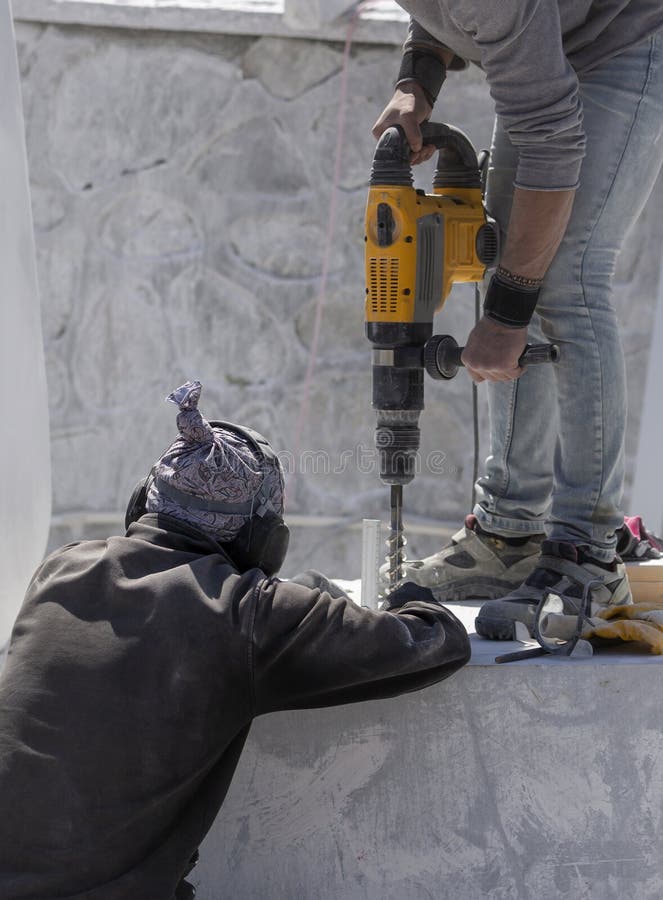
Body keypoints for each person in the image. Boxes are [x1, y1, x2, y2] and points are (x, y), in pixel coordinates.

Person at [0, 380, 470, 900]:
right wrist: (415, 595)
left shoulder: (62, 567)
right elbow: (433, 642)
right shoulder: (246, 614)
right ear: (263, 543)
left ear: (142, 504)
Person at [373, 1, 663, 639]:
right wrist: (415, 84)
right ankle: (510, 536)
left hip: (627, 39)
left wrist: (506, 317)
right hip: (553, 46)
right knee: (511, 257)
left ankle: (590, 550)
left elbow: (552, 141)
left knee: (566, 276)